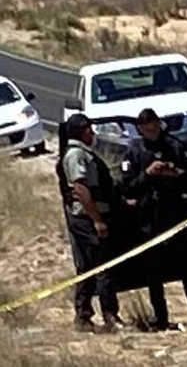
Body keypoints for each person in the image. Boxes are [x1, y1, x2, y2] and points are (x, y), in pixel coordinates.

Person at [120, 108, 187, 330]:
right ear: (140, 129)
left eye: (154, 127)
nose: (151, 131)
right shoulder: (134, 153)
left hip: (176, 216)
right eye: (147, 129)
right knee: (154, 273)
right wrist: (148, 174)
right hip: (150, 220)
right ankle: (160, 318)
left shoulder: (175, 146)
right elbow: (127, 187)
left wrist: (175, 173)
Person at [60, 113, 124, 333]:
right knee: (102, 266)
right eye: (88, 129)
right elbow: (80, 188)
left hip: (89, 216)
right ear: (80, 131)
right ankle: (110, 316)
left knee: (87, 267)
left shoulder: (84, 153)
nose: (92, 133)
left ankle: (84, 316)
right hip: (86, 218)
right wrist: (97, 220)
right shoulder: (76, 154)